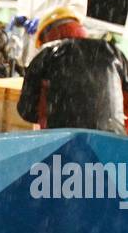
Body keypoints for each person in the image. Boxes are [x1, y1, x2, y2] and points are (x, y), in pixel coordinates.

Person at [18, 7, 128, 136]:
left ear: (48, 36)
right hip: (112, 145)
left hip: (63, 144)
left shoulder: (46, 56)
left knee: (56, 157)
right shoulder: (113, 52)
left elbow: (26, 111)